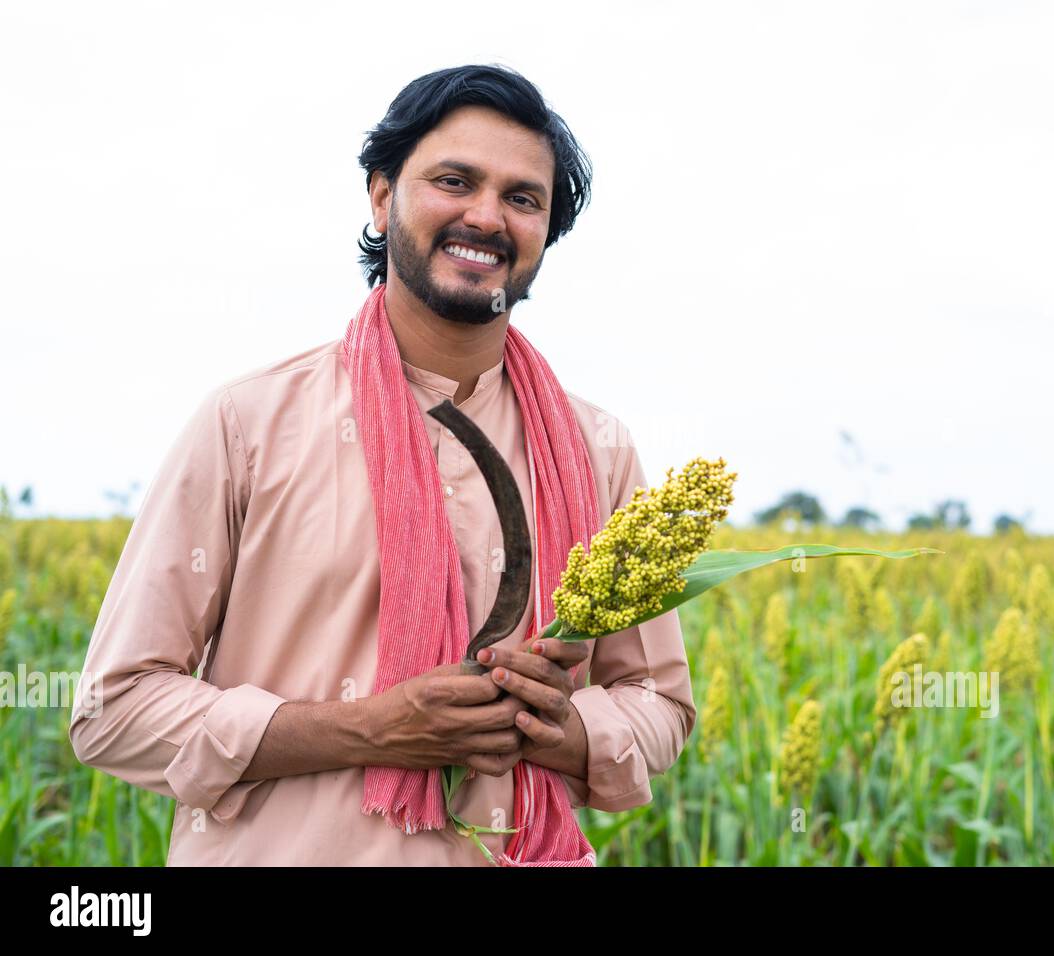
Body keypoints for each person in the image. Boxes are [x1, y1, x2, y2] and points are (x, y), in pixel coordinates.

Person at [69, 64, 696, 866]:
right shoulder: (249, 423)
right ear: (381, 195)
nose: (485, 216)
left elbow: (660, 705)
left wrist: (569, 731)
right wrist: (369, 729)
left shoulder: (596, 450)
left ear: (546, 230)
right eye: (454, 180)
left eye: (522, 197)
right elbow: (113, 711)